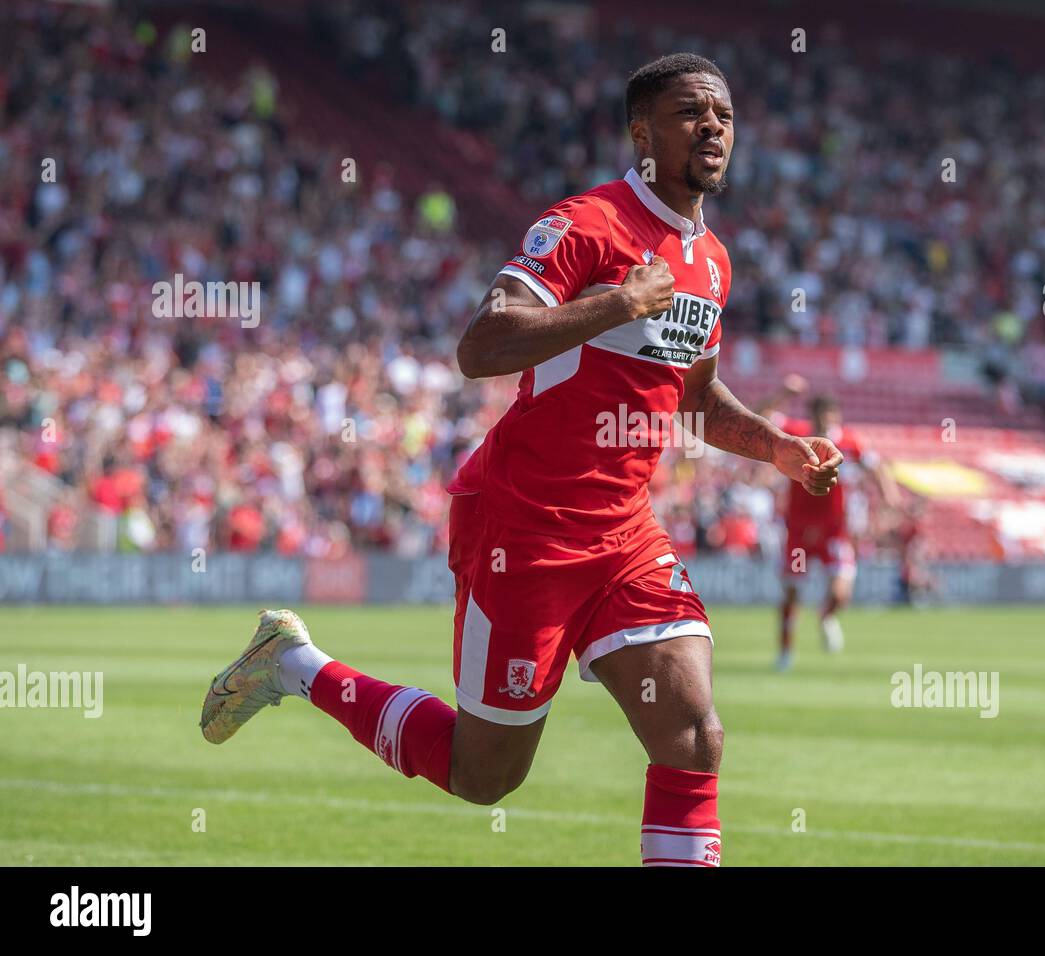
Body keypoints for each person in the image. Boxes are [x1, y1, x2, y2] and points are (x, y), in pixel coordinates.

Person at [200, 53, 844, 867]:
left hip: (626, 537)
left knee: (693, 734)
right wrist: (619, 301)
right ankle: (295, 665)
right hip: (523, 527)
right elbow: (481, 345)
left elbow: (696, 397)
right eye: (690, 112)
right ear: (643, 134)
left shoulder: (712, 260)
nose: (713, 126)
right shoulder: (587, 224)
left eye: (723, 113)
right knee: (484, 775)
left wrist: (778, 446)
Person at [762, 382, 898, 670]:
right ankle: (785, 652)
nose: (826, 420)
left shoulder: (848, 441)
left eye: (831, 414)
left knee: (840, 593)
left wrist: (889, 495)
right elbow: (761, 414)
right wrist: (784, 393)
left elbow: (876, 466)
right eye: (821, 414)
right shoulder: (797, 434)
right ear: (812, 415)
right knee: (792, 594)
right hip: (799, 531)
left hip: (834, 531)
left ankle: (826, 616)